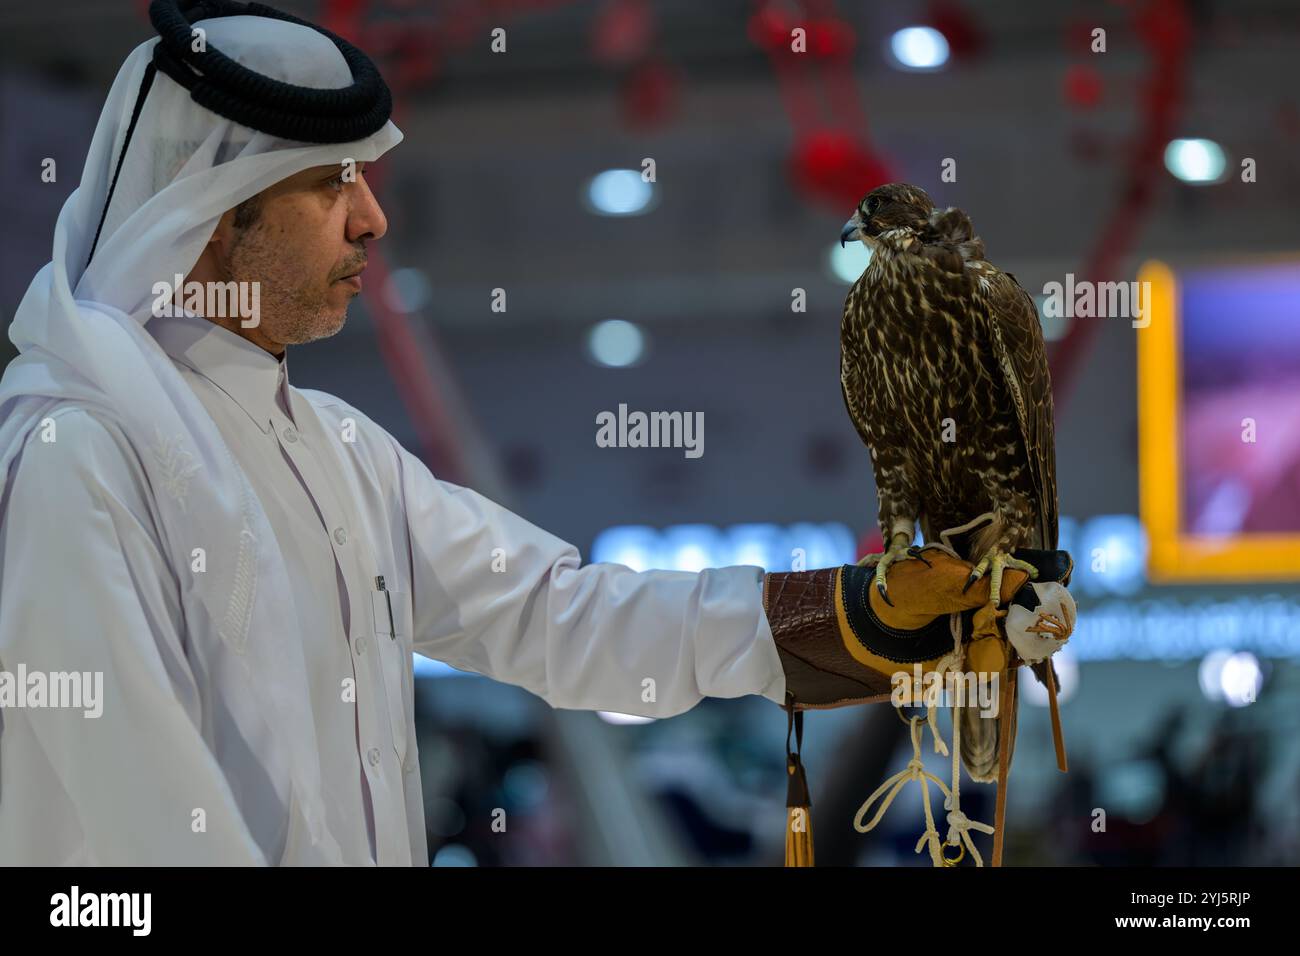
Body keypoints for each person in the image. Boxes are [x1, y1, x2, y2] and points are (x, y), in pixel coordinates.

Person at [0, 0, 1073, 866]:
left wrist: (863, 617)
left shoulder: (338, 451)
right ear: (212, 211)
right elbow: (138, 815)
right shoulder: (80, 452)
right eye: (332, 183)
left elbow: (558, 614)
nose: (371, 217)